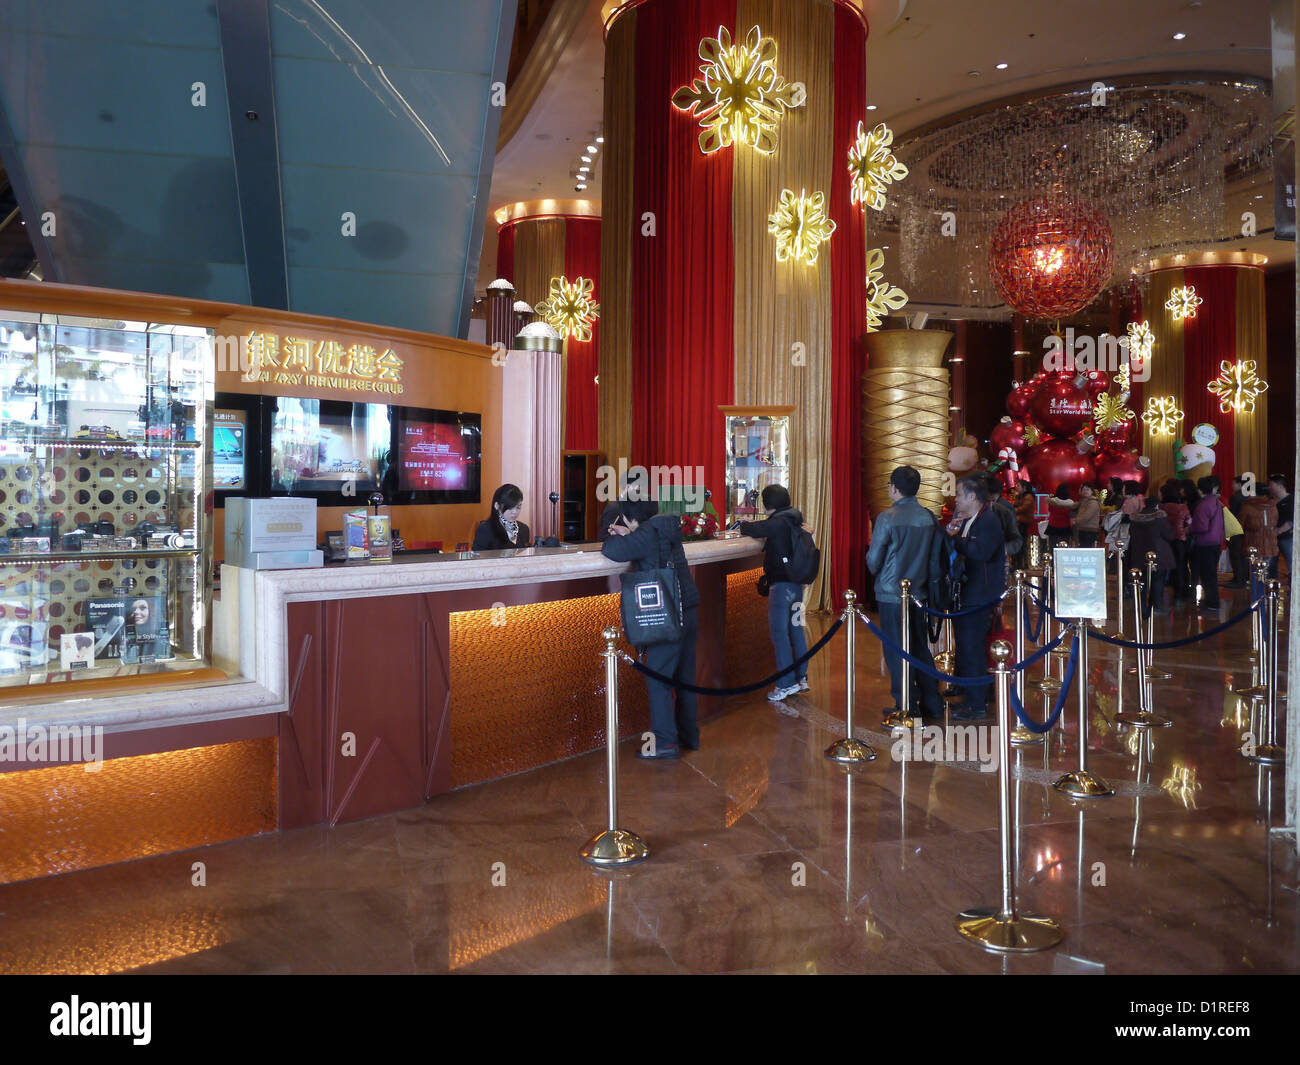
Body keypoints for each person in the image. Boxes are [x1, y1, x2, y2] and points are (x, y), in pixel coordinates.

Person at [602, 499, 700, 759]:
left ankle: (666, 743)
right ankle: (689, 736)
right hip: (688, 608)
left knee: (658, 679)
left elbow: (612, 550)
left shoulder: (647, 533)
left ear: (631, 518)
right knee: (684, 678)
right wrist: (631, 533)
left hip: (667, 615)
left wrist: (614, 536)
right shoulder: (666, 526)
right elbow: (644, 544)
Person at [866, 466, 944, 723]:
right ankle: (932, 700)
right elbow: (934, 560)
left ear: (894, 488)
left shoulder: (887, 518)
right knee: (920, 647)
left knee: (895, 649)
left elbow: (874, 560)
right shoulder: (928, 517)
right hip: (919, 593)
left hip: (891, 594)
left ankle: (906, 703)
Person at [739, 485, 810, 706]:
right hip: (797, 584)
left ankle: (785, 683)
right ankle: (801, 677)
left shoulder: (778, 523)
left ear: (768, 505)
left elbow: (752, 529)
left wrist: (743, 525)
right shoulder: (795, 518)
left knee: (779, 634)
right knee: (796, 630)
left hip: (782, 586)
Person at [945, 474, 1006, 721]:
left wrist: (956, 541)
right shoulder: (969, 519)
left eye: (959, 494)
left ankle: (977, 704)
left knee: (973, 649)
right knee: (965, 646)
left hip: (980, 595)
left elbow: (980, 552)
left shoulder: (988, 521)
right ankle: (966, 690)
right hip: (967, 594)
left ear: (972, 497)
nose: (956, 499)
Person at [1126, 496, 1175, 617]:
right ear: (1156, 506)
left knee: (1141, 582)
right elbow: (1170, 535)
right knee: (1157, 582)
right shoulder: (1159, 519)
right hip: (1157, 556)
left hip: (1138, 555)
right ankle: (1156, 607)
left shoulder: (1134, 520)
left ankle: (1141, 608)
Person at [1188, 475, 1225, 613]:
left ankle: (1212, 604)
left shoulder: (1203, 504)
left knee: (1207, 576)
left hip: (1204, 543)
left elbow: (1201, 527)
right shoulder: (1216, 502)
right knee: (1210, 575)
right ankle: (1211, 602)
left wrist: (1189, 529)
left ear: (1200, 489)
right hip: (1215, 542)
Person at [1159, 480, 1193, 602]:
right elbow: (1189, 522)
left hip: (1166, 541)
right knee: (1182, 566)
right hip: (1180, 540)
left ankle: (1171, 591)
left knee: (1169, 567)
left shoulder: (1161, 507)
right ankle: (1183, 592)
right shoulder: (1182, 507)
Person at [472, 483, 531, 550]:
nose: (515, 512)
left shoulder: (524, 529)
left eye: (518, 507)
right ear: (497, 506)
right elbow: (478, 558)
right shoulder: (485, 529)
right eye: (510, 507)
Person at [1239, 488, 1277, 585]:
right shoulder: (1273, 506)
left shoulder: (1247, 506)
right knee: (1269, 576)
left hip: (1253, 545)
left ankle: (1257, 597)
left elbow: (1239, 525)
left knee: (1255, 576)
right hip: (1271, 545)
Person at [1269, 474, 1293, 576]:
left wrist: (1279, 530)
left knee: (1291, 563)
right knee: (1271, 565)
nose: (1269, 487)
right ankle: (1273, 588)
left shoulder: (1291, 500)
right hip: (1273, 539)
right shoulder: (1271, 501)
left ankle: (1293, 589)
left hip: (1287, 538)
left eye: (1271, 485)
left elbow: (1292, 520)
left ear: (1280, 486)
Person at [1046, 484, 1076, 549]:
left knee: (1053, 547)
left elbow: (1049, 511)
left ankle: (1053, 559)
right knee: (1064, 547)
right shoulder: (1070, 503)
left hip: (1053, 526)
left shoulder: (1052, 501)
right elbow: (1072, 515)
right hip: (1065, 527)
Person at [1073, 483, 1101, 548]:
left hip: (1089, 531)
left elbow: (1086, 517)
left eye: (1087, 489)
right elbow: (1071, 506)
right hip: (1083, 529)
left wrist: (1076, 521)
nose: (1085, 491)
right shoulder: (1083, 501)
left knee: (1085, 549)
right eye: (1084, 489)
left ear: (1092, 491)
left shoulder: (1093, 502)